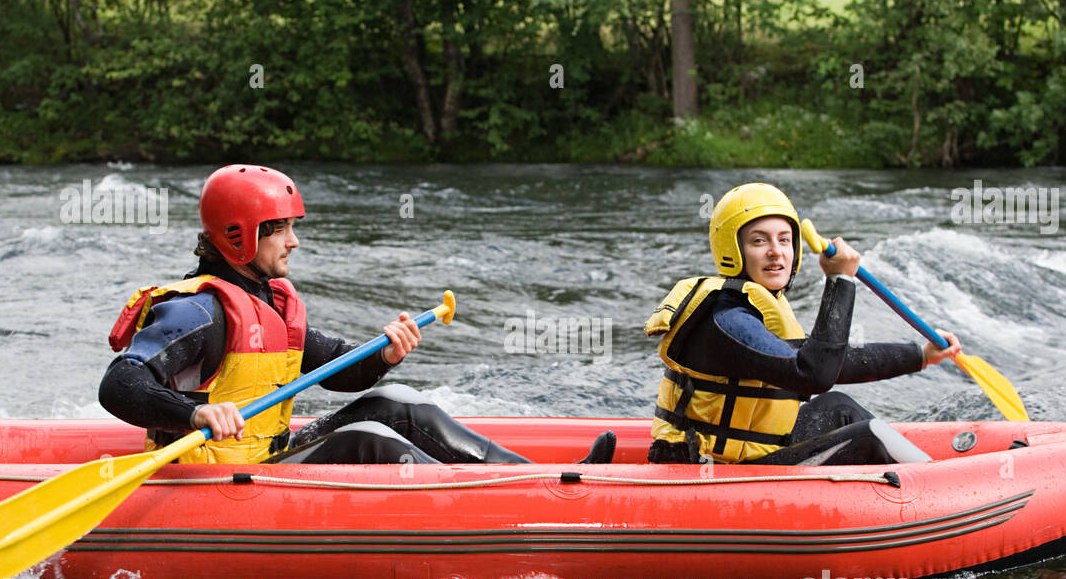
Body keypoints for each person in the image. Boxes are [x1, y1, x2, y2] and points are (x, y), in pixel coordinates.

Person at [100, 164, 616, 466]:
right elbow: (120, 382)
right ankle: (499, 508)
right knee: (366, 442)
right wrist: (194, 413)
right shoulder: (197, 310)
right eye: (280, 230)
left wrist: (383, 355)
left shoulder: (272, 301)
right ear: (241, 235)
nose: (294, 241)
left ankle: (540, 483)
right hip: (217, 481)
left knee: (397, 405)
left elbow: (338, 369)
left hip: (269, 455)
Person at [645, 182, 961, 466]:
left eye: (784, 240)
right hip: (706, 470)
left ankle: (933, 479)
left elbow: (832, 362)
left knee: (838, 408)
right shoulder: (727, 318)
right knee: (870, 436)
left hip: (748, 456)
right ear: (732, 249)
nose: (776, 252)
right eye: (759, 241)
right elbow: (815, 373)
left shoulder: (753, 308)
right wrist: (839, 281)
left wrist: (920, 355)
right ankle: (941, 490)